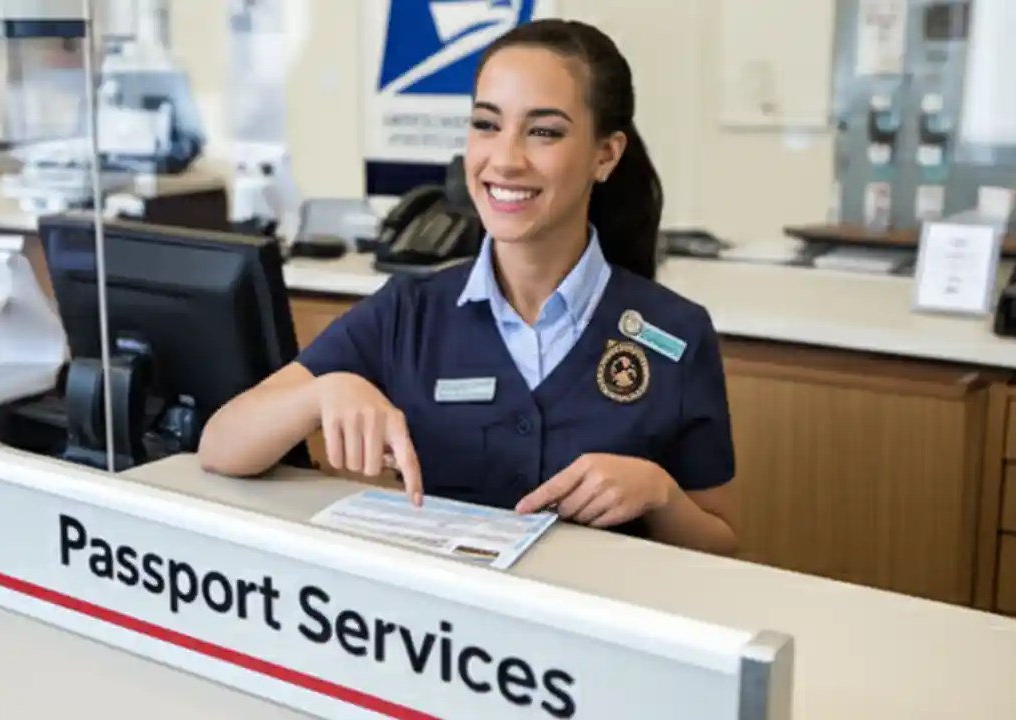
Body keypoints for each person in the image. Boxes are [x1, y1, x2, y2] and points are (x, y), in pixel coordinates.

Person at [199, 19, 738, 555]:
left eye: (544, 131)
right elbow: (221, 444)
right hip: (448, 636)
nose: (504, 159)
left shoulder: (676, 332)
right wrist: (322, 393)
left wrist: (660, 495)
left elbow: (722, 543)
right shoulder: (410, 312)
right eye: (486, 124)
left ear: (606, 155)